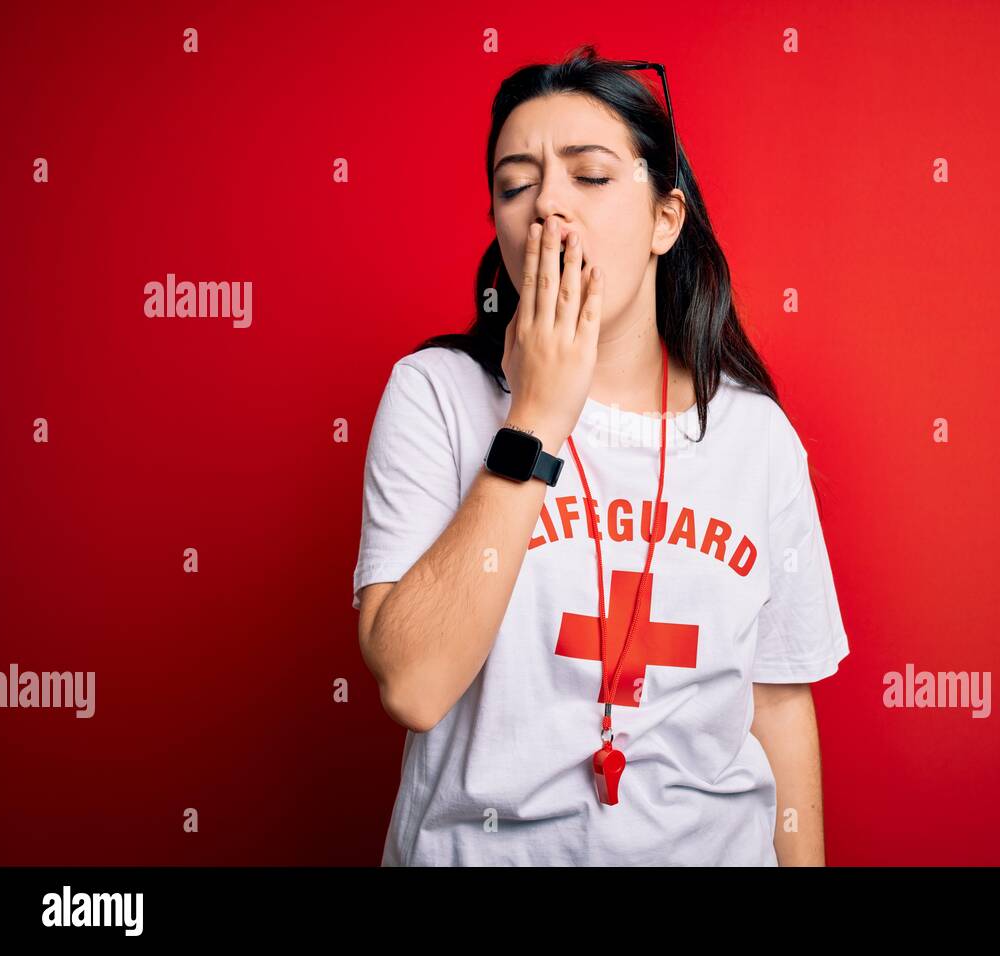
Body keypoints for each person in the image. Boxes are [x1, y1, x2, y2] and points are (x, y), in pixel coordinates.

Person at [352, 45, 849, 866]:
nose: (548, 204)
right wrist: (538, 416)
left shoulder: (755, 436)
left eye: (589, 176)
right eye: (516, 185)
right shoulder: (433, 394)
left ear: (665, 219)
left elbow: (780, 702)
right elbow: (413, 684)